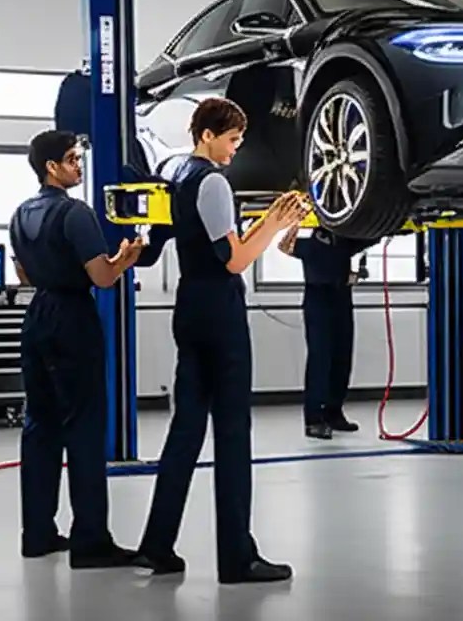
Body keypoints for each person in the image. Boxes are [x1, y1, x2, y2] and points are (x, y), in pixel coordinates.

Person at [132, 97, 308, 584]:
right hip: (219, 310)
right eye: (231, 140)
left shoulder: (173, 174)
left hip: (189, 306)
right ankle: (237, 558)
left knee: (186, 430)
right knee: (232, 433)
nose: (235, 150)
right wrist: (274, 224)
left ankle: (157, 544)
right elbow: (234, 260)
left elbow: (160, 249)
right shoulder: (212, 182)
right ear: (207, 134)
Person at [8, 129, 147, 567]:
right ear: (51, 167)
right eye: (72, 159)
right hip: (72, 318)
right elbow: (102, 278)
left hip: (37, 318)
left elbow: (24, 276)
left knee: (40, 427)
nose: (78, 166)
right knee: (84, 429)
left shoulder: (19, 215)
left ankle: (37, 534)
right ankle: (90, 542)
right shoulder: (75, 213)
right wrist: (127, 259)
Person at [277, 225, 378, 439]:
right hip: (318, 300)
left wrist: (391, 223)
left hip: (341, 297)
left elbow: (370, 236)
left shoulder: (345, 240)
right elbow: (284, 245)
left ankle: (333, 412)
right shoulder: (309, 243)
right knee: (320, 358)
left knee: (342, 357)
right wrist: (294, 224)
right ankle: (314, 419)